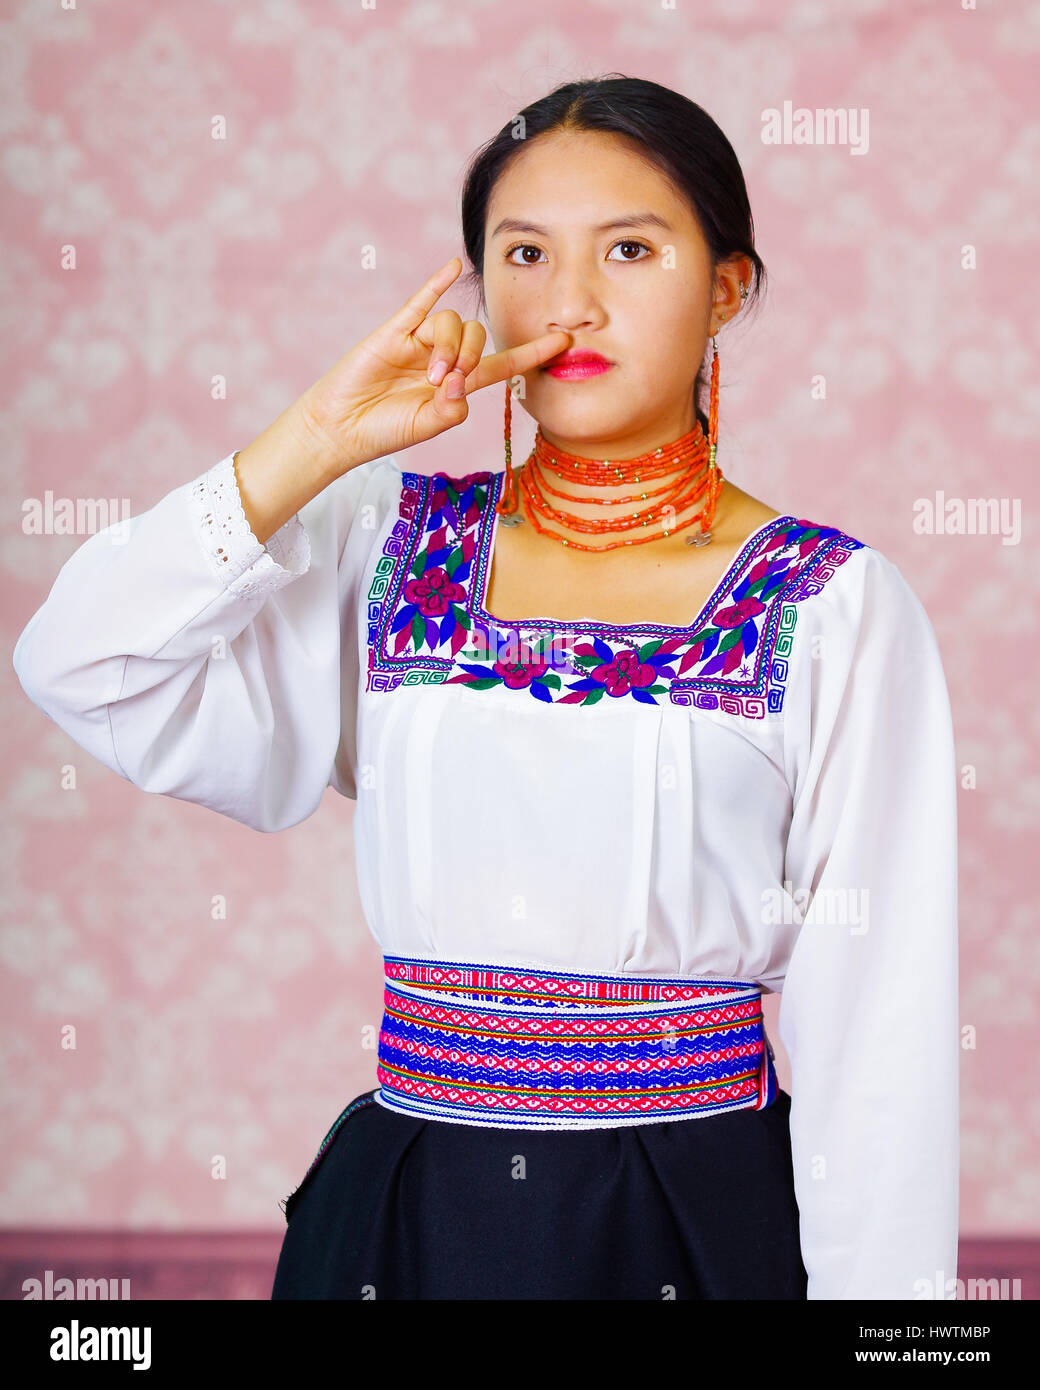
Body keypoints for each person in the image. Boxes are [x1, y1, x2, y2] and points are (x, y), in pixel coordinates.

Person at [11, 75, 959, 1301]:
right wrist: (314, 441)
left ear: (725, 287)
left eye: (630, 247)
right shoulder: (379, 541)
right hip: (403, 1216)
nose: (569, 302)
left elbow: (875, 1028)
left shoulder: (829, 603)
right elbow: (79, 661)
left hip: (687, 1218)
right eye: (522, 252)